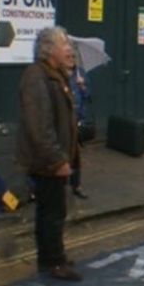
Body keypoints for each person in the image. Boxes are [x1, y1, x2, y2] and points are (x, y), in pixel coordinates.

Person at [17, 27, 81, 281]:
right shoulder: (36, 77)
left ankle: (51, 257)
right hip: (46, 161)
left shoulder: (56, 75)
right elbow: (40, 126)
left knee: (52, 210)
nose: (70, 50)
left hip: (54, 158)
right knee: (52, 212)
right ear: (49, 49)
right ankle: (53, 262)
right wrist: (57, 160)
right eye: (65, 44)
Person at [65, 46, 91, 200]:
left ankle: (76, 185)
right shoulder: (60, 74)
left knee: (75, 155)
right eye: (68, 57)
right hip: (64, 120)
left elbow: (88, 96)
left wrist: (82, 86)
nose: (71, 60)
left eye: (73, 57)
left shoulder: (80, 73)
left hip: (78, 119)